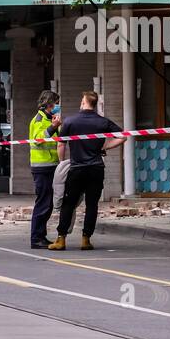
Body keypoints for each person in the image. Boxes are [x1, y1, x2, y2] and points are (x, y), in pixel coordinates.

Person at [50, 90, 125, 251]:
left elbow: (61, 144)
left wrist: (62, 162)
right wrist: (105, 146)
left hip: (77, 169)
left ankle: (61, 239)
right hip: (96, 168)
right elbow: (123, 136)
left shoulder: (70, 121)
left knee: (68, 204)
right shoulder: (102, 122)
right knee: (92, 205)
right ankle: (86, 239)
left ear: (84, 102)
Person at [28, 91, 61, 249]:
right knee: (43, 203)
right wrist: (53, 127)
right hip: (42, 167)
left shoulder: (49, 119)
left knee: (47, 204)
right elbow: (37, 141)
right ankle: (36, 238)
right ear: (49, 104)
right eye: (56, 103)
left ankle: (41, 236)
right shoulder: (40, 119)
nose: (57, 106)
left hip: (51, 165)